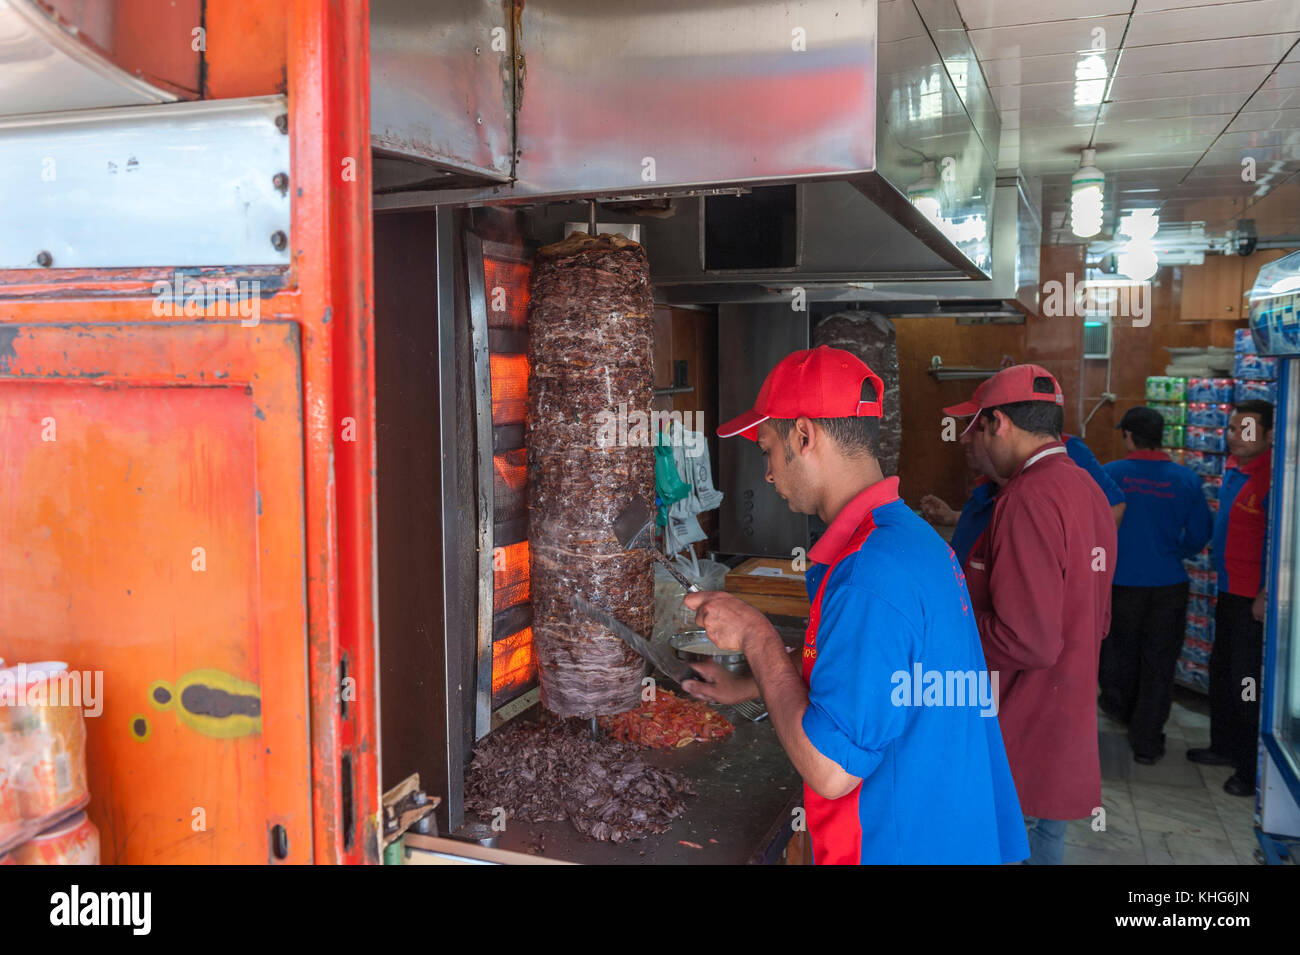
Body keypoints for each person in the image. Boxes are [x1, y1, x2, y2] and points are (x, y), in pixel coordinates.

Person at [680, 345, 1027, 865]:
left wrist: (757, 637)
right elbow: (883, 684)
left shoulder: (872, 574)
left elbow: (829, 770)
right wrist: (756, 681)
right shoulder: (908, 538)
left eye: (767, 450)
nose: (769, 474)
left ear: (804, 435)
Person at [943, 364, 1117, 865]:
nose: (966, 440)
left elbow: (1029, 641)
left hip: (1021, 726)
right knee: (1043, 845)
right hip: (1062, 720)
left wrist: (947, 629)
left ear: (999, 422)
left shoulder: (1026, 497)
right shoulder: (1087, 488)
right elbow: (1096, 616)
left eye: (974, 426)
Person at [1099, 407, 1213, 764]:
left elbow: (1093, 527)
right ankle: (1148, 742)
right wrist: (1172, 552)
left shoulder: (1110, 475)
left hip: (1120, 583)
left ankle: (1120, 710)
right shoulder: (1186, 479)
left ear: (1129, 436)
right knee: (1159, 663)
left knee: (1118, 656)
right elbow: (1200, 533)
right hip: (1168, 585)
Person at [1187, 400, 1274, 797]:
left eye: (1246, 429)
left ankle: (1248, 763)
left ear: (1270, 435)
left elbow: (1285, 543)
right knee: (1221, 671)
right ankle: (1222, 745)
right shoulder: (1235, 471)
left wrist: (1266, 593)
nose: (1235, 436)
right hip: (1227, 590)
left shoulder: (1274, 476)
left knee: (1246, 682)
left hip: (1253, 601)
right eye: (1234, 428)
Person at [923, 434, 1125, 569]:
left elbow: (1114, 507)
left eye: (977, 425)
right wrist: (953, 517)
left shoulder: (1064, 451)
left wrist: (1076, 569)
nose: (963, 438)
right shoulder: (996, 481)